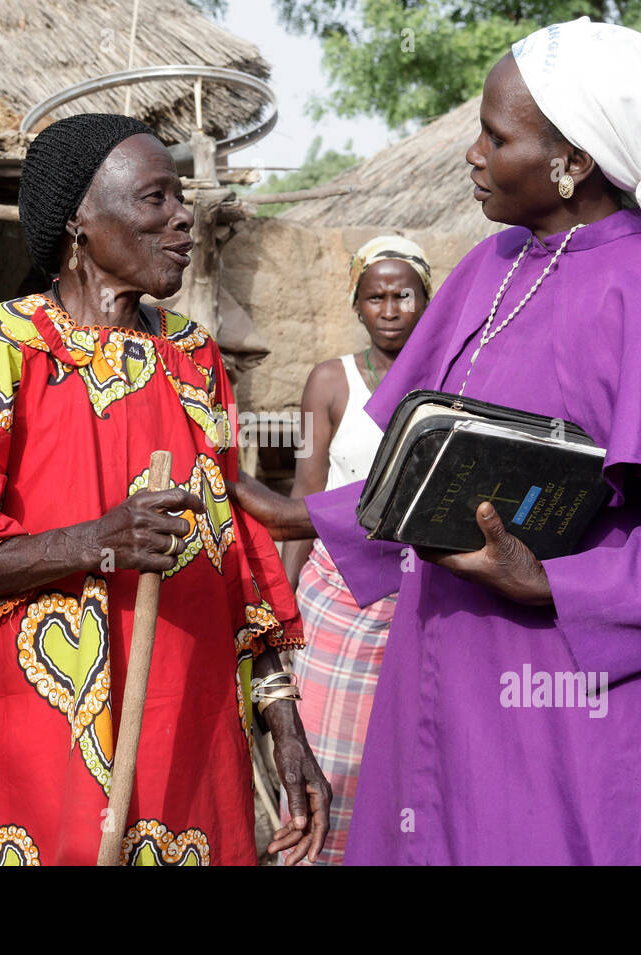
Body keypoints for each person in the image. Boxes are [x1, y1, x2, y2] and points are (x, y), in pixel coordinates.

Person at [232, 18, 641, 865]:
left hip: (580, 703)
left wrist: (553, 580)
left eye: (496, 136)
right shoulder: (486, 269)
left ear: (574, 161)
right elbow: (435, 476)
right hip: (442, 671)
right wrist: (301, 517)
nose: (472, 153)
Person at [0, 113, 331, 866]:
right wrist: (97, 541)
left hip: (186, 728)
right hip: (31, 740)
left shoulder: (192, 357)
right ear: (78, 223)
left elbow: (240, 559)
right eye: (155, 198)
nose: (183, 216)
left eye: (180, 197)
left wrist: (283, 720)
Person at [279, 236, 432, 864]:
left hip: (421, 599)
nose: (390, 308)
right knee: (328, 756)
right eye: (376, 296)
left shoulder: (450, 381)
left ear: (427, 302)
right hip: (336, 600)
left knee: (407, 756)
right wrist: (279, 611)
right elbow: (305, 495)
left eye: (404, 295)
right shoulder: (329, 381)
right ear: (357, 305)